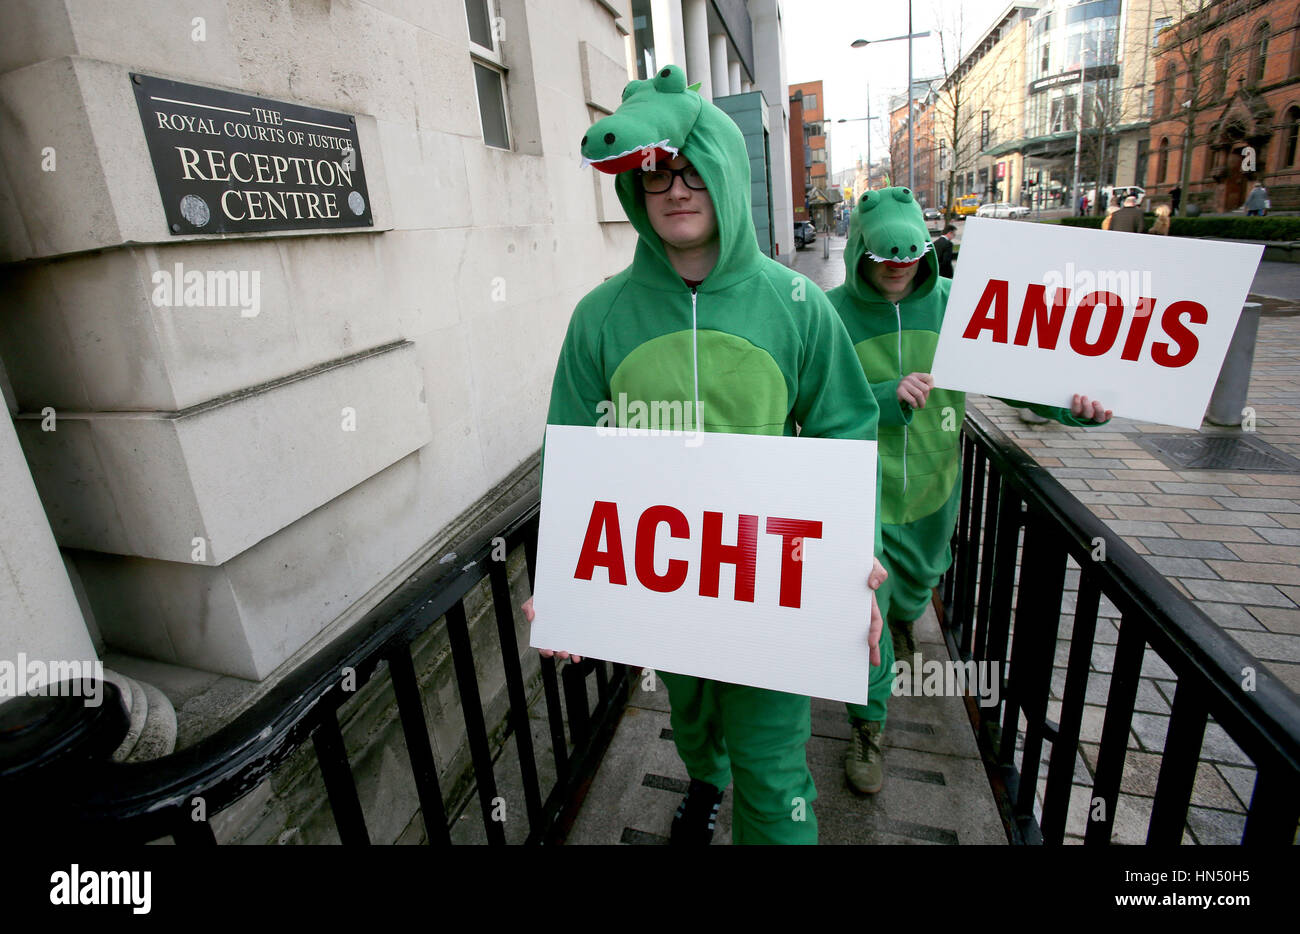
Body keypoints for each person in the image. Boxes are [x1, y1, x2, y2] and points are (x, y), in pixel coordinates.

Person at [528, 64, 888, 845]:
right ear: (635, 192)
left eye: (694, 172)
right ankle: (705, 777)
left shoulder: (797, 306)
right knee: (693, 726)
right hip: (665, 592)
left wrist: (856, 569)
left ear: (725, 175)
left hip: (771, 589)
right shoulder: (599, 317)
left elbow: (847, 433)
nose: (677, 191)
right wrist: (561, 582)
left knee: (777, 776)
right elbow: (571, 448)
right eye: (658, 177)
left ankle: (753, 797)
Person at [825, 186, 1112, 796]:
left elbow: (1017, 377)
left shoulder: (957, 307)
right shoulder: (829, 314)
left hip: (933, 496)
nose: (897, 266)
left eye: (907, 253)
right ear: (859, 253)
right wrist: (882, 398)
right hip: (856, 497)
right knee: (860, 618)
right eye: (881, 256)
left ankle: (902, 621)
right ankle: (869, 723)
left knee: (910, 596)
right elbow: (808, 402)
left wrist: (1072, 406)